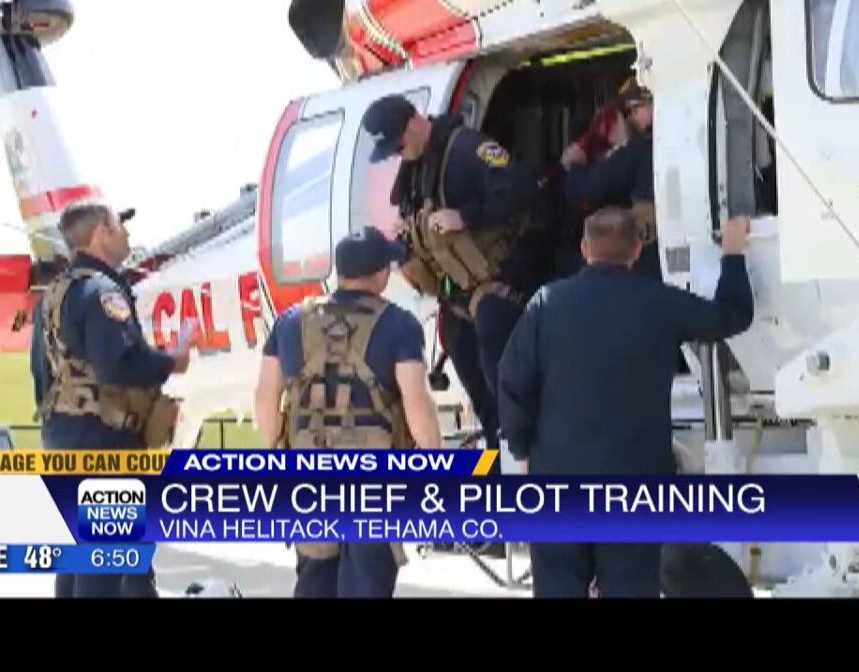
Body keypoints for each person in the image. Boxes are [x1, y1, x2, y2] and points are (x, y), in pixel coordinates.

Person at [498, 207, 753, 598]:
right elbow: (728, 317)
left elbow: (512, 379)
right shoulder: (659, 302)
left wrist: (520, 448)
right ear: (637, 249)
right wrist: (733, 255)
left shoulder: (546, 305)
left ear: (585, 248)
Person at [254, 226, 443, 598]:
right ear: (379, 274)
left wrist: (276, 456)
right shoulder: (400, 324)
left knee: (314, 583)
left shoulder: (289, 321)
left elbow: (265, 398)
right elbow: (416, 402)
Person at [363, 94, 545, 451]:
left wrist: (466, 216)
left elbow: (521, 187)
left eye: (399, 144)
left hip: (498, 289)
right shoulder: (412, 171)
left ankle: (525, 461)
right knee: (480, 395)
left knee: (507, 391)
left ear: (414, 122)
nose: (399, 154)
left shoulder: (467, 150)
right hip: (458, 298)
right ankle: (496, 464)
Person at [30, 201, 190, 599]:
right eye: (120, 226)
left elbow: (41, 374)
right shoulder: (102, 293)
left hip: (62, 438)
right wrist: (172, 360)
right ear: (101, 232)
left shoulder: (51, 297)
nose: (127, 235)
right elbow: (120, 365)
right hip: (104, 440)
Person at [560, 79, 659, 278]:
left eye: (630, 111)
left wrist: (574, 164)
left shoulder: (640, 149)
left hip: (644, 266)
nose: (627, 118)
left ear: (646, 107)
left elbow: (585, 189)